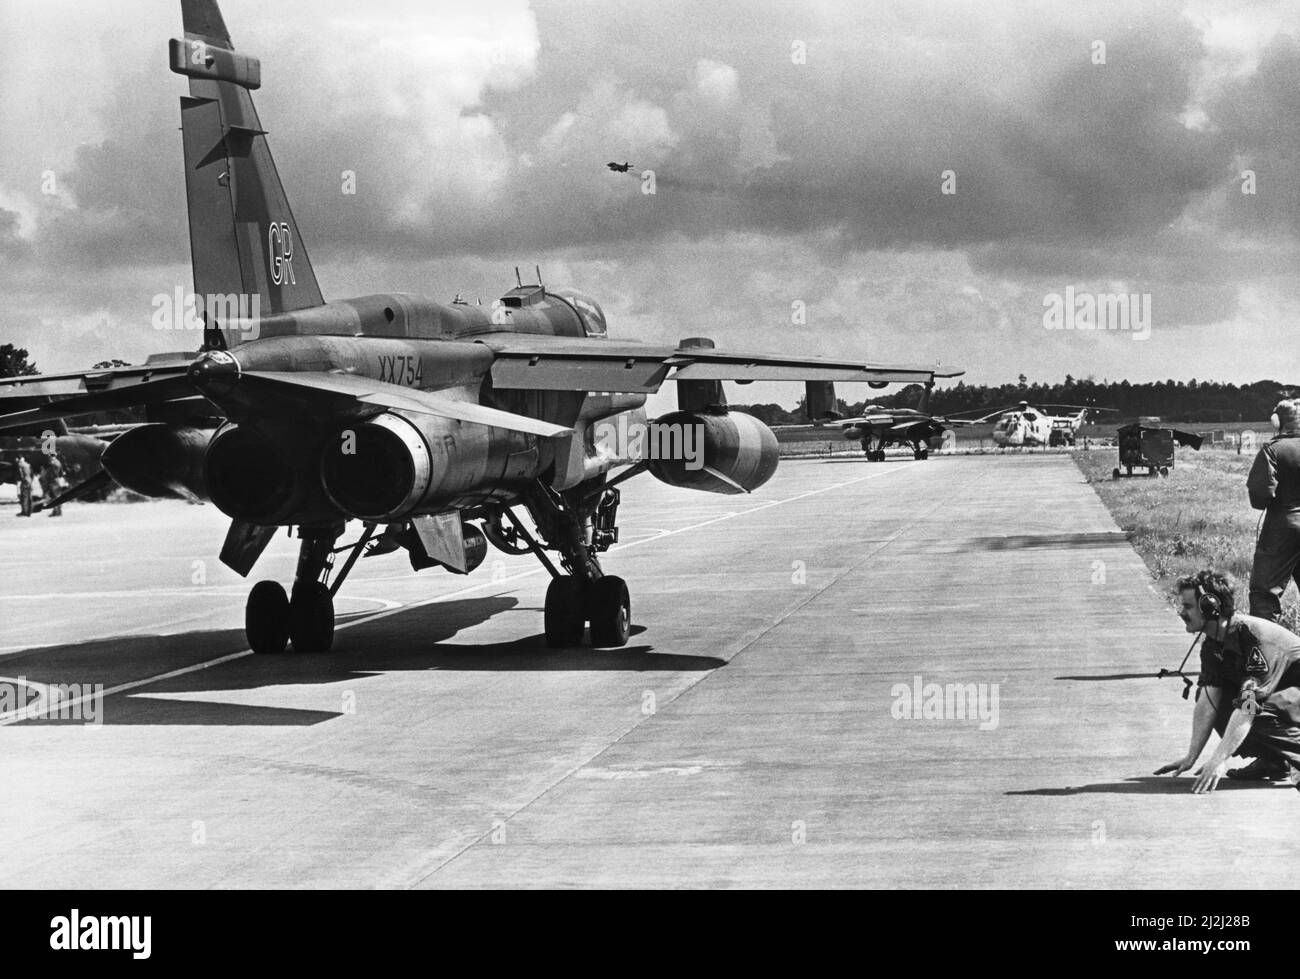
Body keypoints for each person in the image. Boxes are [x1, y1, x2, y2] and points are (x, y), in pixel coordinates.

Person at [1155, 570, 1300, 791]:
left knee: (1253, 709)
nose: (1181, 612)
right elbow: (1207, 701)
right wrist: (1191, 755)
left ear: (1210, 607)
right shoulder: (1212, 644)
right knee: (1215, 700)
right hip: (1284, 697)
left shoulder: (1254, 639)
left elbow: (1249, 707)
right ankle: (1274, 760)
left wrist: (1219, 759)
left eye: (1187, 607)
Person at [1247, 399, 1300, 620]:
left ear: (1276, 422)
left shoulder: (1272, 450)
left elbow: (1260, 497)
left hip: (1282, 527)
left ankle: (1263, 651)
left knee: (1264, 595)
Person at [40, 452, 65, 517]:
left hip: (52, 481)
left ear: (50, 456)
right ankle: (58, 511)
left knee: (54, 498)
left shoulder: (51, 463)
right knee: (58, 497)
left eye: (49, 456)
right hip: (58, 481)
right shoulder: (59, 462)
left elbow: (48, 474)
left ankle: (56, 512)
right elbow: (61, 473)